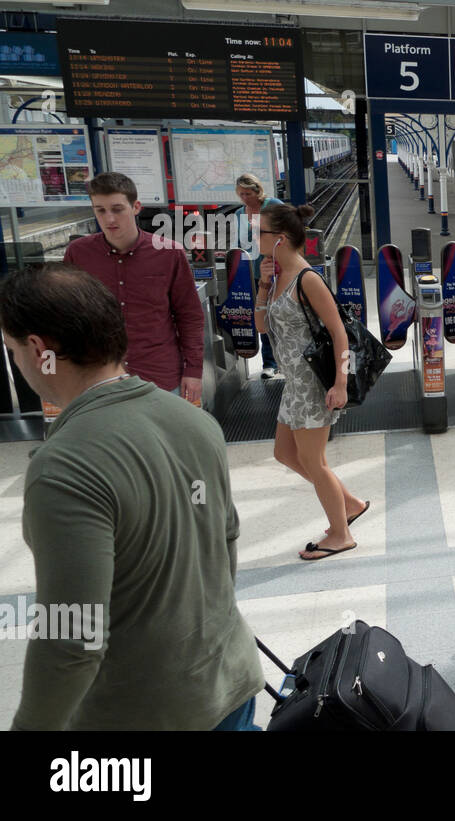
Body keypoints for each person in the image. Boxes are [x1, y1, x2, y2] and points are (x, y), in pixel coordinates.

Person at [1, 263, 263, 730]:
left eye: (13, 350)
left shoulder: (64, 467)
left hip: (145, 713)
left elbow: (72, 637)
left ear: (40, 350)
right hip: (229, 683)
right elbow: (223, 551)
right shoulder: (196, 423)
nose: (18, 363)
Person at [255, 204, 369, 561]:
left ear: (280, 239)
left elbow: (338, 332)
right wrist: (262, 284)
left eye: (261, 233)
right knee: (284, 454)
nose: (256, 238)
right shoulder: (278, 277)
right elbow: (261, 327)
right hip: (294, 383)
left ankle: (340, 533)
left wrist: (341, 382)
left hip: (313, 384)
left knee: (313, 461)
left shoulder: (308, 279)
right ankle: (348, 502)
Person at [63, 172, 204, 403]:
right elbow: (65, 316)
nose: (109, 219)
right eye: (100, 210)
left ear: (136, 207)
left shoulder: (168, 253)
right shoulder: (77, 254)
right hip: (97, 379)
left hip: (159, 377)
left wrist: (194, 371)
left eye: (117, 209)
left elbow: (189, 316)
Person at [237, 173, 284, 379]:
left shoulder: (273, 205)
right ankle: (270, 362)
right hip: (255, 274)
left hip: (278, 270)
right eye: (240, 194)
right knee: (263, 316)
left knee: (282, 316)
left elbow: (289, 231)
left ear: (257, 190)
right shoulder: (240, 213)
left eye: (247, 193)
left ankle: (285, 359)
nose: (244, 198)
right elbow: (241, 243)